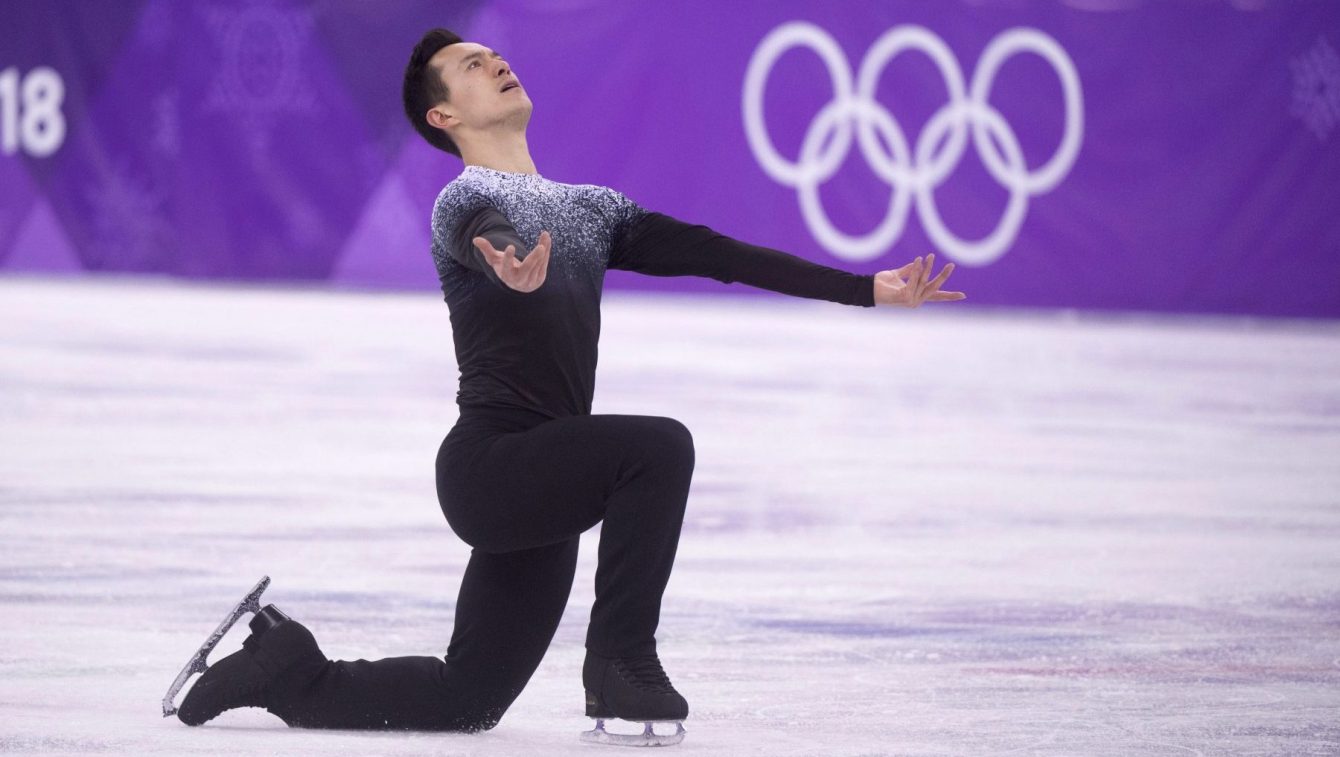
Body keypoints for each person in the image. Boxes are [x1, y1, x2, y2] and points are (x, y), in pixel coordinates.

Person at [168, 26, 965, 745]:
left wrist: (866, 289)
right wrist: (510, 269)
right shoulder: (464, 201)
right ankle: (621, 661)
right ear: (444, 118)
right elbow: (489, 236)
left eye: (494, 56)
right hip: (491, 467)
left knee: (466, 699)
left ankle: (288, 666)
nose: (496, 64)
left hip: (545, 482)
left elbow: (720, 253)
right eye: (471, 68)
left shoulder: (592, 210)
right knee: (657, 449)